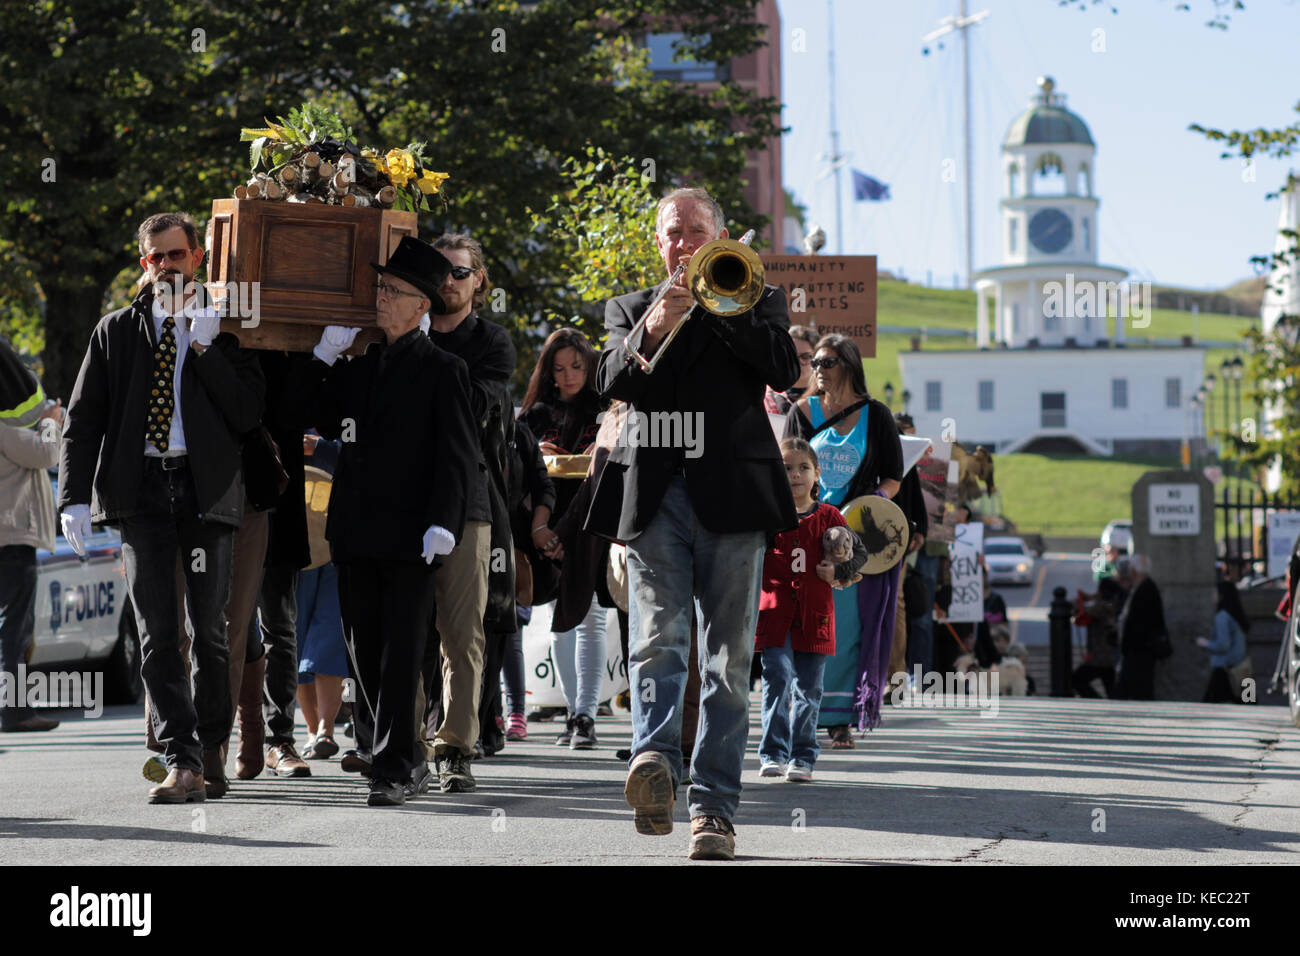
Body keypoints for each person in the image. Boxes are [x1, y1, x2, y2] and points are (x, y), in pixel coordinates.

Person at [587, 186, 799, 861]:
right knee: (657, 643)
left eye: (694, 231)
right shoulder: (629, 307)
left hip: (732, 498)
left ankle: (714, 809)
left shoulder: (755, 297)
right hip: (656, 498)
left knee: (728, 662)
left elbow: (785, 369)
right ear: (658, 242)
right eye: (672, 232)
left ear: (720, 238)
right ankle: (653, 765)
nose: (682, 243)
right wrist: (654, 325)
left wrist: (722, 308)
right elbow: (611, 382)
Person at [59, 212, 265, 802]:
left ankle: (211, 750)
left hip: (204, 491)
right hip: (141, 493)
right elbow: (83, 420)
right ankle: (182, 758)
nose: (166, 268)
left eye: (176, 256)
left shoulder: (227, 326)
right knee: (157, 634)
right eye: (155, 259)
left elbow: (247, 413)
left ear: (197, 257)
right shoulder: (116, 330)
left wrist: (202, 347)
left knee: (212, 634)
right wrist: (74, 498)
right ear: (142, 264)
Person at [290, 235, 477, 806]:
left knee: (401, 651)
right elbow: (300, 415)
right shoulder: (359, 365)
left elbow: (457, 453)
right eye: (379, 287)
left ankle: (396, 765)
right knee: (364, 650)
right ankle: (396, 752)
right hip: (354, 528)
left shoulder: (444, 370)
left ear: (422, 304)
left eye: (391, 290)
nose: (380, 297)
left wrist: (443, 520)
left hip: (410, 533)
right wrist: (321, 357)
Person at [417, 231, 517, 792]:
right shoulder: (399, 332)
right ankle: (403, 744)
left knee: (461, 633)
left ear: (479, 280)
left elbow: (473, 411)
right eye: (439, 273)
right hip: (402, 500)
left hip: (467, 502)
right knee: (405, 633)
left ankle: (455, 747)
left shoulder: (491, 341)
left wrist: (420, 351)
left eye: (459, 272)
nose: (447, 282)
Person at [784, 333, 903, 746]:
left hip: (856, 536)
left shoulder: (877, 415)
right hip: (809, 529)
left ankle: (841, 719)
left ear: (850, 365)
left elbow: (893, 475)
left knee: (849, 627)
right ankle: (802, 713)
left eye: (827, 362)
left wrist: (876, 500)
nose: (817, 369)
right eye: (814, 362)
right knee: (806, 625)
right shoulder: (801, 411)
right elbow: (785, 466)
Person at [520, 327, 610, 749]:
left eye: (576, 366)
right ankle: (574, 713)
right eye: (559, 369)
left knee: (589, 615)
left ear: (590, 365)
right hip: (546, 525)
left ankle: (585, 715)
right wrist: (538, 452)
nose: (569, 375)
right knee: (558, 621)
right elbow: (516, 468)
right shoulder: (535, 414)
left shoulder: (608, 409)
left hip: (592, 523)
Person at [756, 439, 866, 782]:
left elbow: (861, 555)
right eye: (786, 468)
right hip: (774, 614)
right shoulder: (766, 514)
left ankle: (803, 755)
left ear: (817, 473)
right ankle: (773, 752)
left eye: (803, 467)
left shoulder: (830, 517)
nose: (794, 475)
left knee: (808, 687)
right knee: (776, 676)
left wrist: (839, 571)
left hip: (815, 615)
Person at [0, 341, 63, 733]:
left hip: (9, 533)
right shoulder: (6, 430)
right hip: (12, 536)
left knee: (13, 624)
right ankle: (15, 710)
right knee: (15, 625)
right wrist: (52, 420)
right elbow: (46, 454)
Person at [296, 430, 348, 758]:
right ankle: (311, 728)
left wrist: (324, 448)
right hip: (293, 544)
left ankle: (326, 729)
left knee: (329, 638)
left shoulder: (346, 400)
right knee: (295, 640)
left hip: (339, 542)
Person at [1115, 554, 1166, 701]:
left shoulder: (1146, 589)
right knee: (1135, 691)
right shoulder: (1142, 587)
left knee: (1135, 691)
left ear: (1133, 570)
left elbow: (1140, 623)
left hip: (1140, 651)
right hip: (1138, 650)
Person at [1198, 581, 1249, 703]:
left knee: (1210, 708)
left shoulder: (1222, 616)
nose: (1213, 596)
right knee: (1248, 703)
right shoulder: (1237, 615)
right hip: (1243, 669)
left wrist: (1205, 643)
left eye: (1215, 592)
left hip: (1224, 671)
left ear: (1221, 595)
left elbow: (1223, 645)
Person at [1072, 577, 1120, 698]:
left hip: (1099, 658)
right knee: (1111, 689)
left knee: (1076, 680)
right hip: (1108, 656)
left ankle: (1097, 702)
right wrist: (1091, 597)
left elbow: (1080, 611)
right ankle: (1111, 706)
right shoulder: (1113, 604)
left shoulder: (1101, 607)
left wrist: (1082, 600)